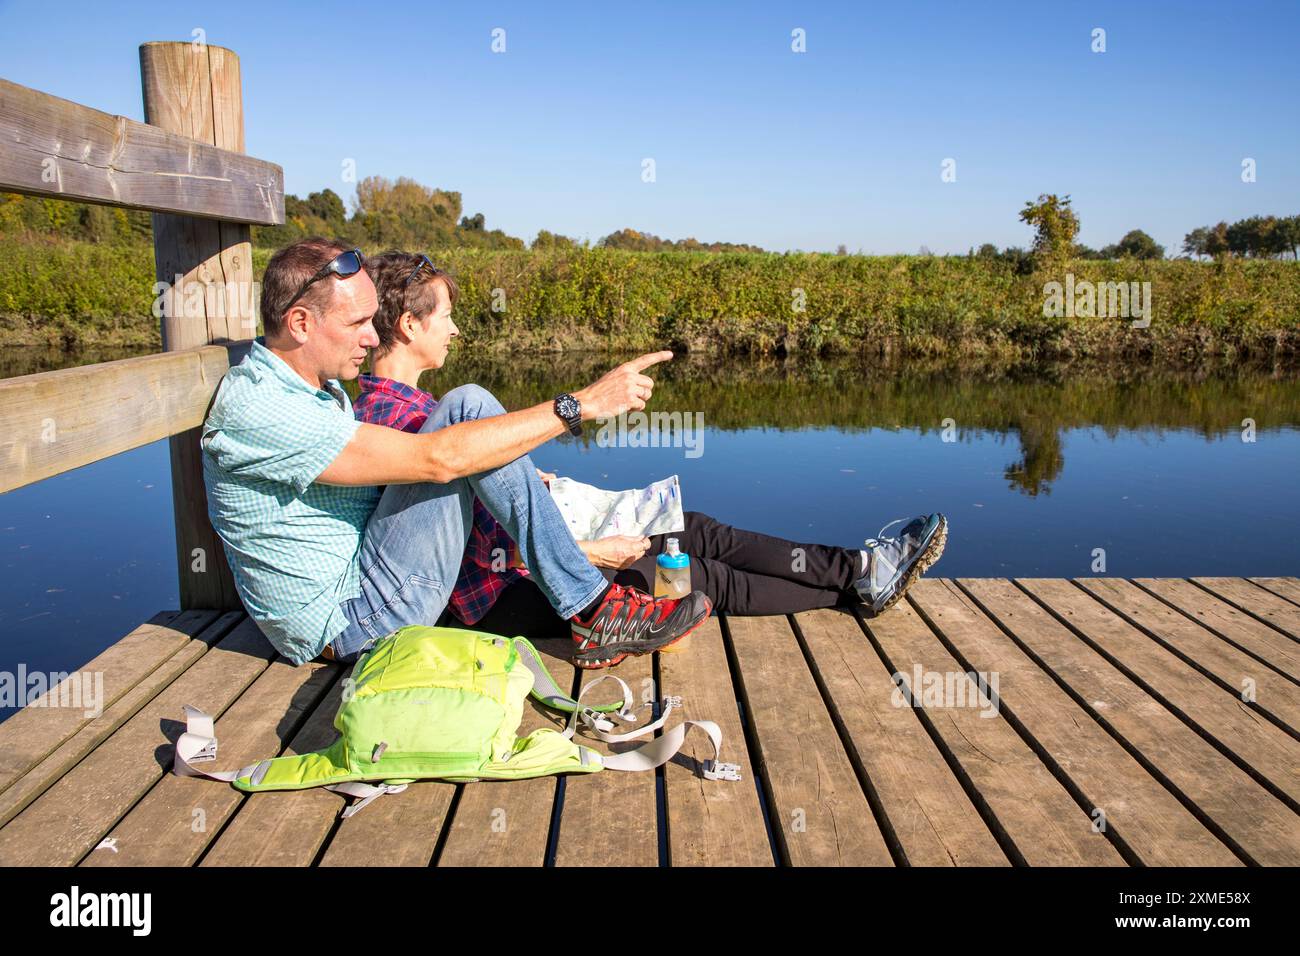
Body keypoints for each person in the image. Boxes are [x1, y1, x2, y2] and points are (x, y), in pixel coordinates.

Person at [353, 251, 949, 644]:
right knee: (696, 574)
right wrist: (595, 549)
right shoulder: (399, 424)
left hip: (543, 550)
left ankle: (859, 570)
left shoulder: (415, 411)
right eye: (448, 316)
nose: (456, 329)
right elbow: (473, 557)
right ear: (409, 324)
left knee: (696, 529)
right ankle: (856, 582)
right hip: (500, 597)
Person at [200, 237, 715, 671]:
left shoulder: (310, 388)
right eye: (357, 322)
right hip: (352, 624)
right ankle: (593, 609)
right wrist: (580, 404)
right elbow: (436, 461)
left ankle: (592, 607)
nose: (370, 335)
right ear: (300, 324)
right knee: (468, 408)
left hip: (371, 585)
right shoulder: (260, 410)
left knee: (470, 407)